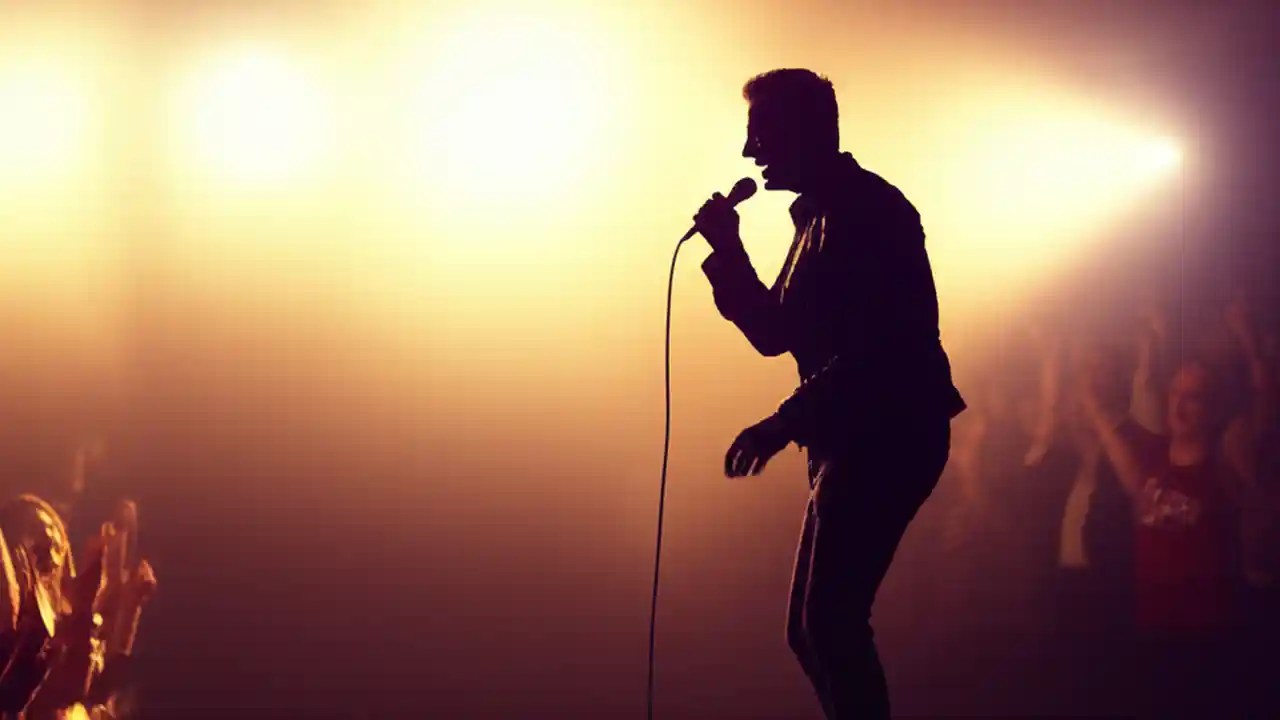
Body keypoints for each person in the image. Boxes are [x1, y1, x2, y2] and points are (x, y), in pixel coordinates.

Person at [692, 68, 964, 719]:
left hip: (890, 433)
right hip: (853, 435)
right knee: (812, 629)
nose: (748, 154)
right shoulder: (816, 217)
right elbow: (775, 332)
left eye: (760, 134)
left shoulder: (868, 211)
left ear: (803, 131)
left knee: (831, 624)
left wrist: (781, 424)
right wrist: (728, 251)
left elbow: (877, 351)